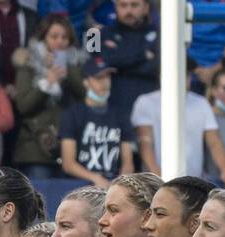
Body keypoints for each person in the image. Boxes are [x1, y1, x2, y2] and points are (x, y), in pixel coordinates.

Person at [10, 12, 82, 178]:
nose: (60, 41)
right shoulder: (28, 63)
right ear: (43, 38)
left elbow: (84, 96)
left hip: (69, 147)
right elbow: (23, 106)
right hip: (35, 149)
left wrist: (68, 67)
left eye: (64, 37)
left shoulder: (76, 63)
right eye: (54, 36)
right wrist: (47, 82)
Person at [130, 64, 225, 181]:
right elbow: (145, 143)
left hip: (193, 183)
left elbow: (214, 142)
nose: (183, 79)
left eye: (186, 75)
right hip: (157, 183)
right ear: (163, 76)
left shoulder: (201, 103)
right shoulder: (146, 102)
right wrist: (160, 180)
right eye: (178, 74)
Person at [59, 56, 133, 186]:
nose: (104, 82)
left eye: (107, 77)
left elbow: (128, 162)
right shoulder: (72, 114)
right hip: (80, 186)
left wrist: (119, 184)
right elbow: (68, 163)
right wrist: (96, 178)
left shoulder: (121, 114)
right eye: (98, 78)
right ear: (86, 82)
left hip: (113, 184)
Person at [96, 0, 156, 113]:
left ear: (146, 8)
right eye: (123, 5)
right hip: (114, 109)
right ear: (116, 7)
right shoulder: (100, 34)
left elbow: (157, 67)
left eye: (134, 5)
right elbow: (98, 66)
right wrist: (143, 55)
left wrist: (120, 61)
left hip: (151, 109)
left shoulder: (162, 34)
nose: (129, 11)